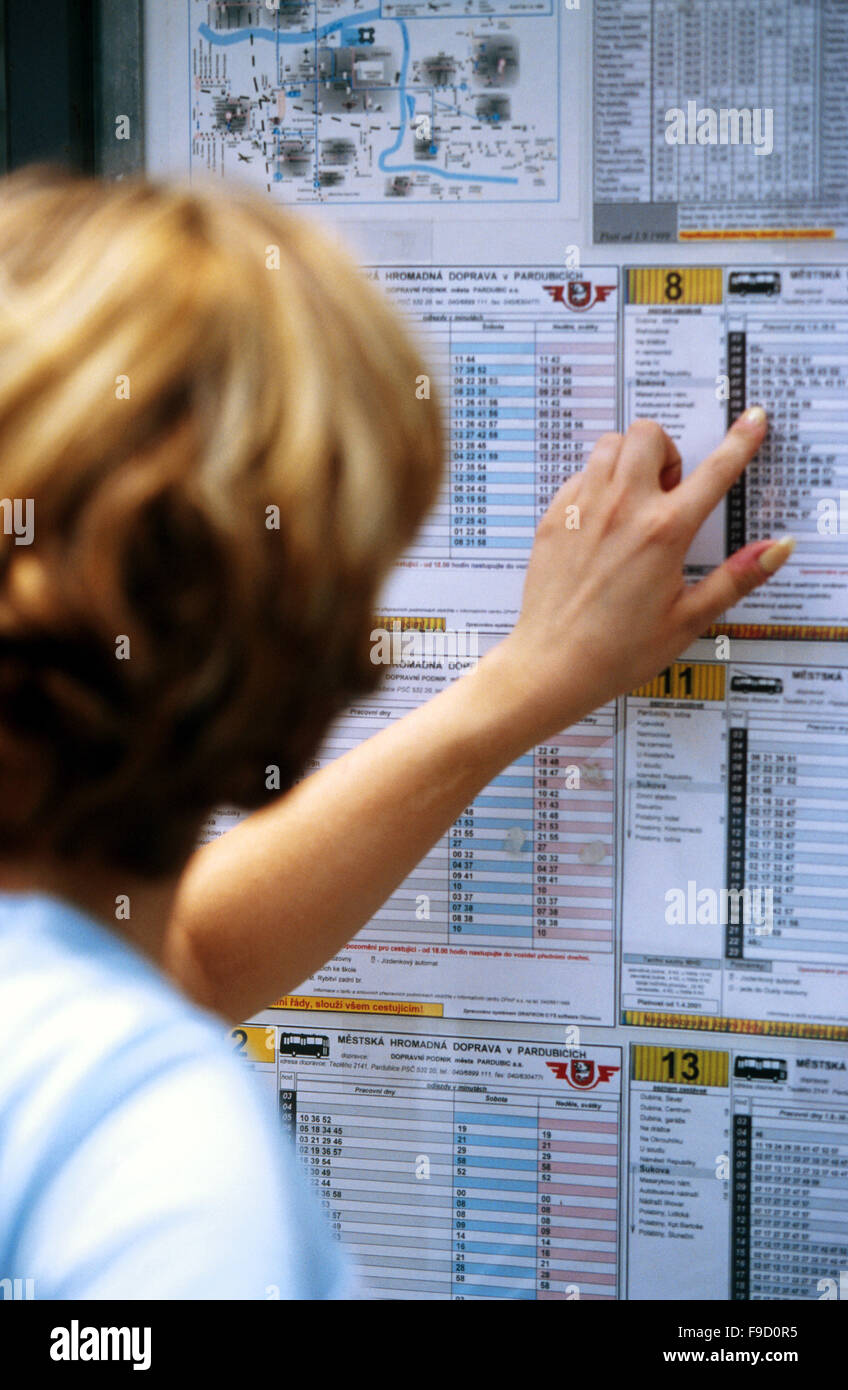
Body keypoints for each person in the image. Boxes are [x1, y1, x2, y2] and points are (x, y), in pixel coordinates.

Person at [0, 168, 792, 1299]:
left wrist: (523, 683)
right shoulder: (158, 1159)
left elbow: (177, 958)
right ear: (306, 668)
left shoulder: (72, 1013)